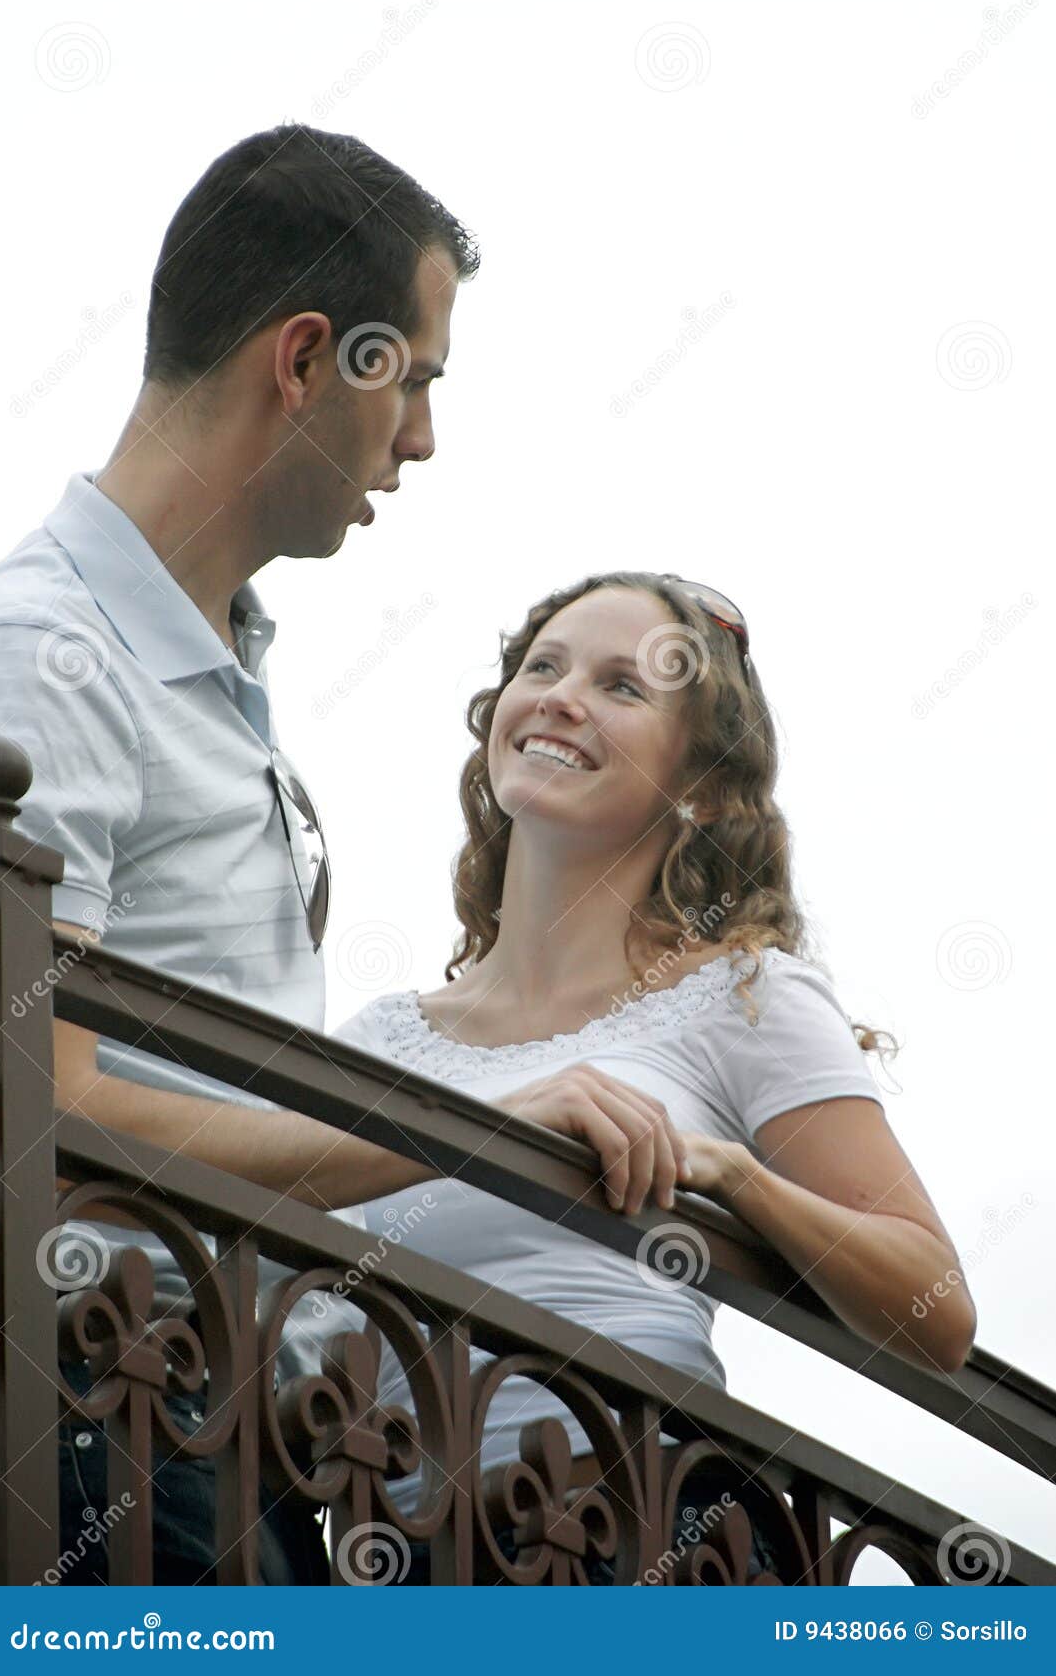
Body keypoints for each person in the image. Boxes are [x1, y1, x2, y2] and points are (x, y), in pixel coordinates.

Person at [0, 121, 488, 1583]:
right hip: (109, 1424)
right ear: (310, 358)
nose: (422, 439)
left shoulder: (206, 658)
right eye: (417, 381)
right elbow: (40, 1100)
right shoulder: (48, 654)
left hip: (214, 1431)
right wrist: (447, 1130)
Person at [318, 571, 979, 1584]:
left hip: (642, 1535)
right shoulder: (378, 1038)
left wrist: (732, 1177)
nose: (560, 697)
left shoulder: (744, 995)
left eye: (622, 685)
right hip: (406, 1560)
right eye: (543, 667)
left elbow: (936, 1313)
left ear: (700, 787)